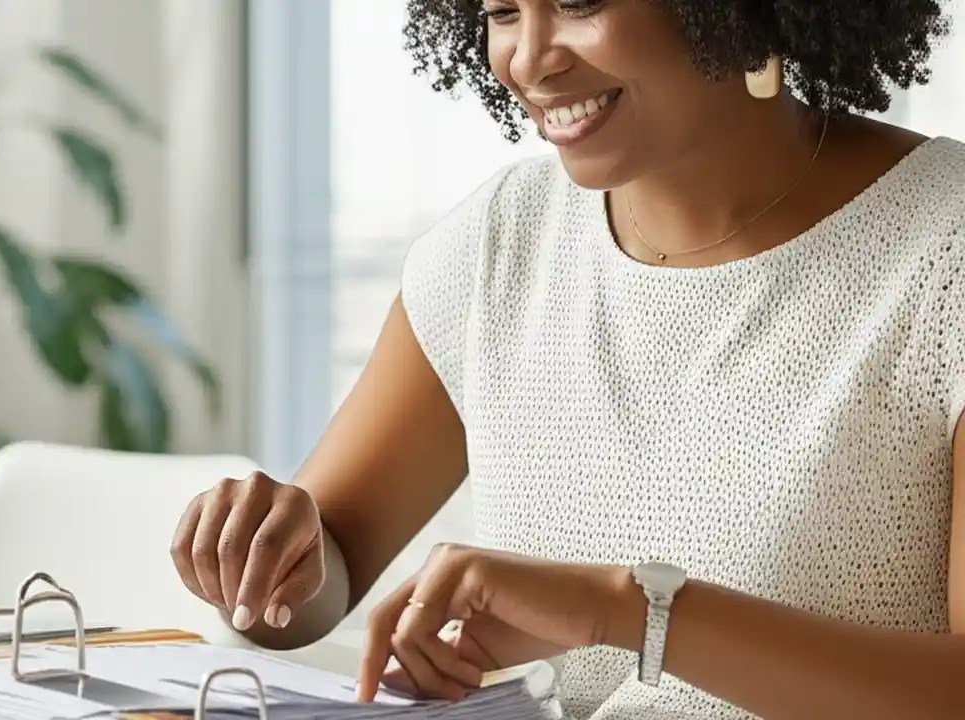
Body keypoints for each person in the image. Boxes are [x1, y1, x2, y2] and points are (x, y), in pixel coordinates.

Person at [171, 0, 965, 717]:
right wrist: (267, 557)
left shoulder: (943, 252)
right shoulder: (501, 243)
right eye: (502, 11)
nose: (529, 58)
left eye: (578, 4)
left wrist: (627, 612)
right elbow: (321, 576)